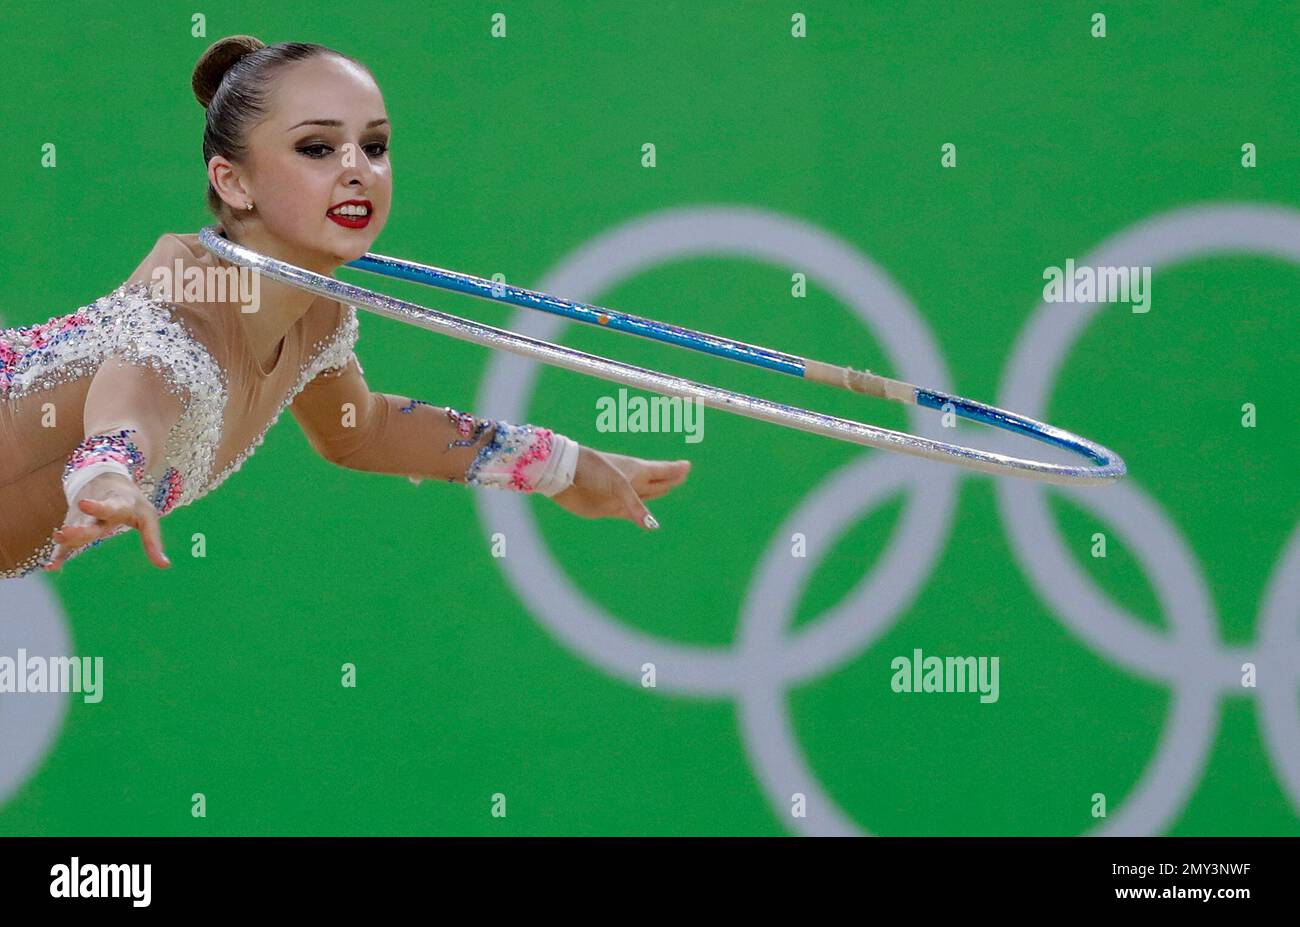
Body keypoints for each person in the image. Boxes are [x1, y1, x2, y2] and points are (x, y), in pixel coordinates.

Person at [0, 35, 691, 579]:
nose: (357, 166)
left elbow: (362, 430)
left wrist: (562, 465)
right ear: (232, 181)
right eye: (318, 147)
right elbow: (136, 392)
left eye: (376, 145)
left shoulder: (317, 314)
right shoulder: (188, 290)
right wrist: (110, 473)